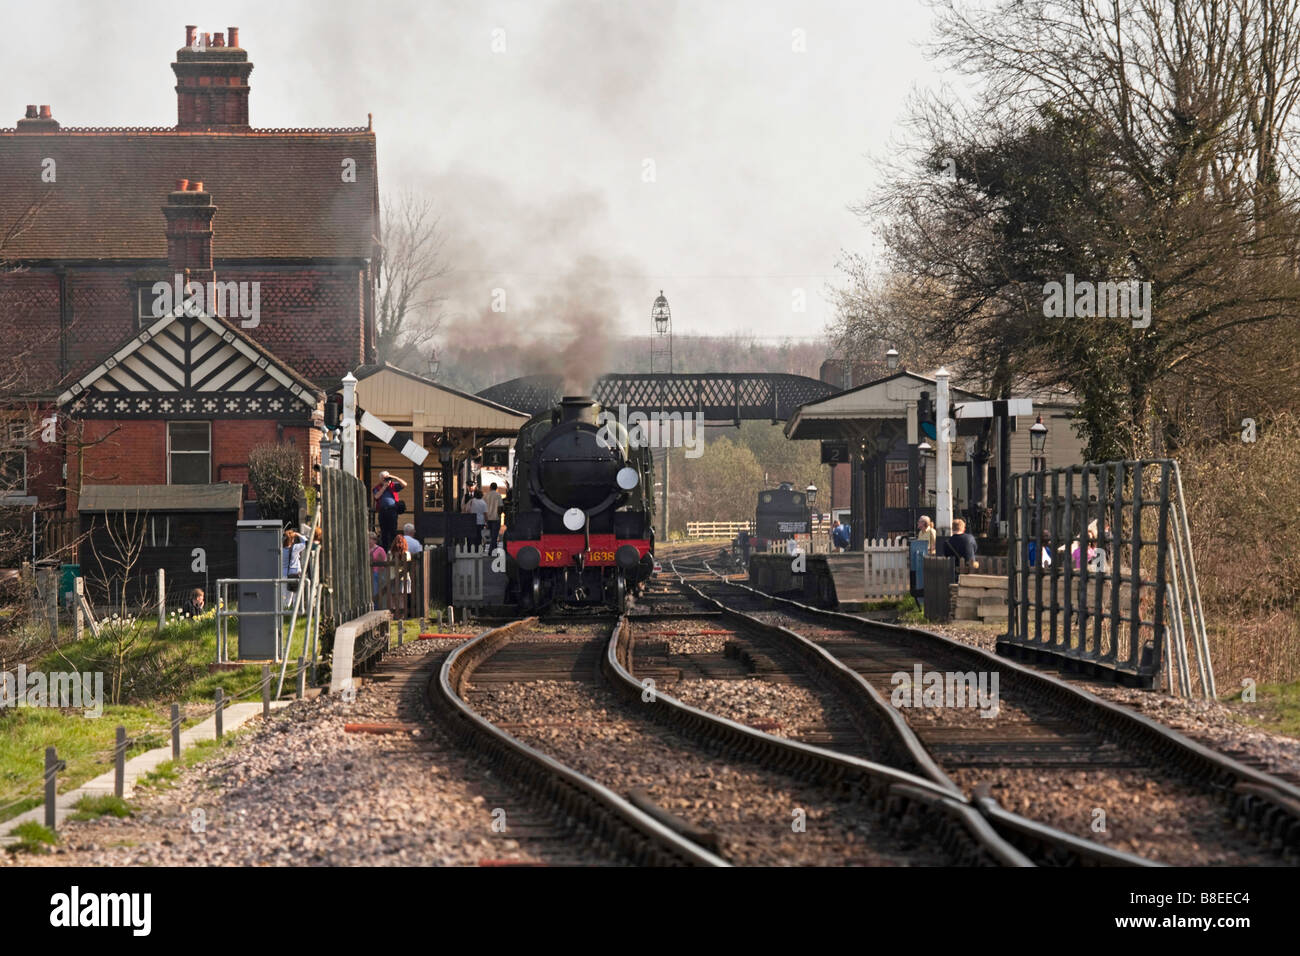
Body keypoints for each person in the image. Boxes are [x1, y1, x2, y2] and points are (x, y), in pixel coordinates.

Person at [372, 471, 406, 550]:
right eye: (383, 478)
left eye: (386, 478)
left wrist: (394, 477)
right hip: (383, 511)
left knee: (393, 531)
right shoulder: (378, 487)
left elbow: (404, 484)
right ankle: (385, 550)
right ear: (380, 479)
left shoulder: (393, 485)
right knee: (384, 532)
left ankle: (394, 549)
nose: (385, 480)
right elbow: (376, 496)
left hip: (392, 511)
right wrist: (384, 487)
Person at [369, 531, 388, 610]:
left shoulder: (380, 549)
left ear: (374, 540)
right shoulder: (365, 549)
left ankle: (375, 608)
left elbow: (385, 561)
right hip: (368, 573)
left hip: (377, 574)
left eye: (370, 539)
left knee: (375, 591)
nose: (369, 541)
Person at [483, 482, 504, 552]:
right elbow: (500, 507)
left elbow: (483, 506)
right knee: (494, 536)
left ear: (490, 487)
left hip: (488, 518)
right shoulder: (498, 495)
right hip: (495, 518)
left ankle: (494, 549)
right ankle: (491, 550)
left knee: (491, 535)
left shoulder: (486, 495)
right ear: (496, 488)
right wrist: (499, 514)